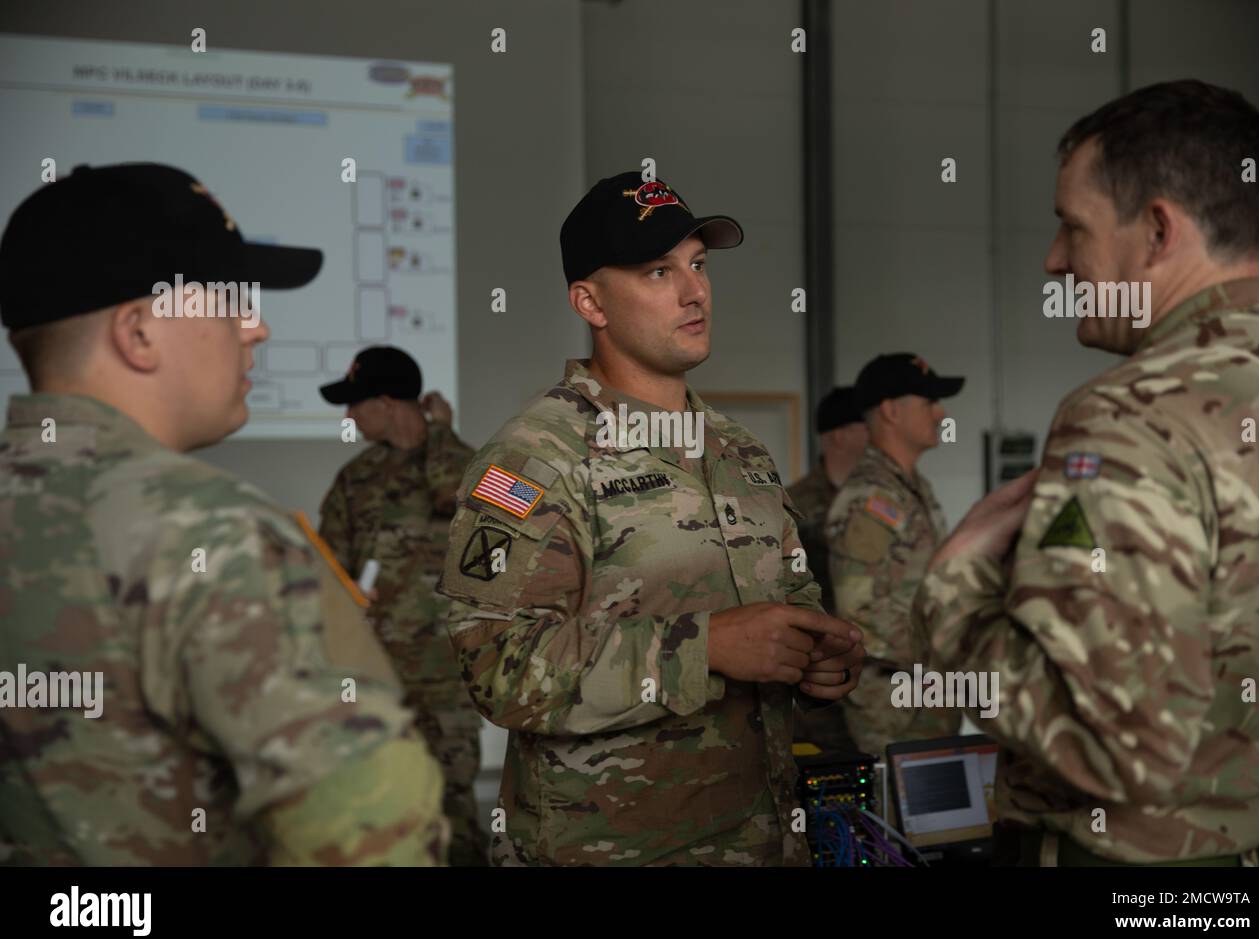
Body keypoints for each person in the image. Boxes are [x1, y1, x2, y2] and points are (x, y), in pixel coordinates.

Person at [0, 163, 446, 865]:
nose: (257, 328)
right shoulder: (215, 533)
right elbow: (370, 834)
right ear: (139, 333)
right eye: (229, 301)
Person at [914, 79, 1259, 865]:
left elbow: (1115, 745)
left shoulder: (1127, 416)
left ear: (1157, 231)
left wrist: (954, 589)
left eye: (1070, 227)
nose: (1055, 262)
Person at [437, 171, 865, 866]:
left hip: (762, 840)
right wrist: (704, 648)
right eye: (657, 272)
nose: (695, 292)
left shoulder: (740, 451)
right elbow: (499, 668)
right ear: (590, 301)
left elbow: (791, 600)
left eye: (698, 265)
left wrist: (816, 657)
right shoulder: (534, 458)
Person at [318, 346, 487, 866]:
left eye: (355, 404)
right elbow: (329, 573)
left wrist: (437, 434)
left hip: (446, 673)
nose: (348, 417)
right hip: (373, 673)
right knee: (380, 808)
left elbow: (460, 503)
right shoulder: (355, 479)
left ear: (389, 401)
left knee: (453, 808)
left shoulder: (465, 462)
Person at [825, 353, 964, 755]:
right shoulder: (870, 498)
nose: (941, 413)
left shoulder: (911, 488)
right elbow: (861, 613)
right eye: (929, 402)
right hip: (894, 705)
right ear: (890, 411)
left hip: (927, 692)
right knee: (902, 816)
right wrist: (948, 647)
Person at [788, 386, 866, 753]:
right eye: (865, 424)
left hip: (880, 675)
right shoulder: (793, 504)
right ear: (837, 434)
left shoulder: (881, 502)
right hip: (821, 675)